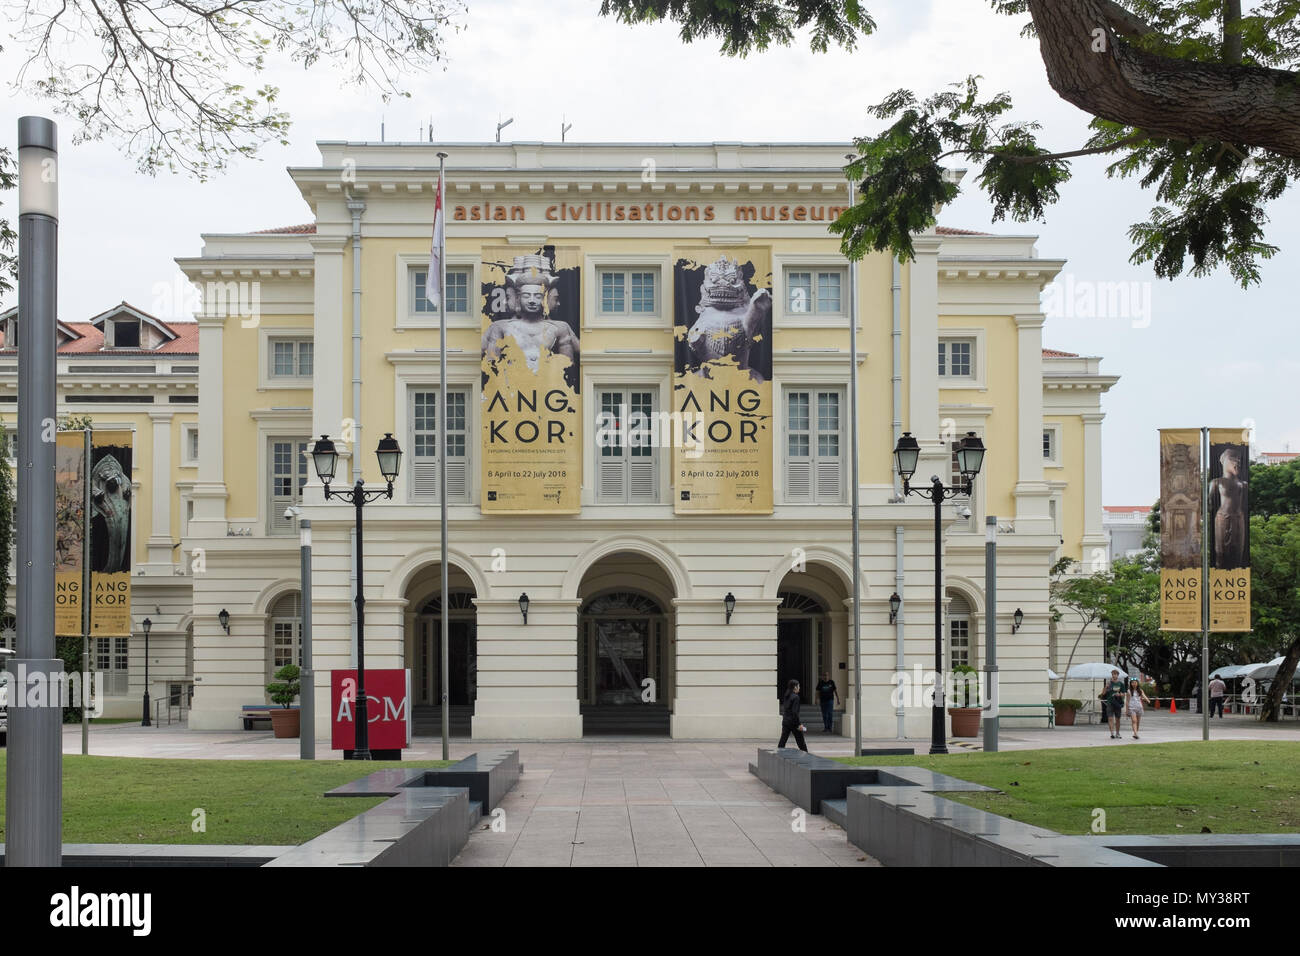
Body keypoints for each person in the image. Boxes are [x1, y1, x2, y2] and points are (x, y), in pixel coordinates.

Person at [481, 253, 580, 374]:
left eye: (538, 296)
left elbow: (568, 366)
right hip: (511, 384)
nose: (532, 301)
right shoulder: (500, 326)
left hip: (547, 383)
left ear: (544, 299)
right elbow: (490, 363)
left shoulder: (560, 327)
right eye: (526, 296)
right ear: (517, 299)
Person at [1209, 446, 1249, 569]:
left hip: (1239, 520)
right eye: (1233, 459)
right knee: (1221, 553)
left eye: (1238, 460)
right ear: (1225, 462)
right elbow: (1211, 504)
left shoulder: (1243, 485)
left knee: (1238, 553)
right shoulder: (1216, 483)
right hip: (1222, 519)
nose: (1237, 462)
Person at [778, 679, 808, 752]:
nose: (799, 687)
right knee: (801, 743)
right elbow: (795, 713)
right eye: (798, 686)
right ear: (795, 687)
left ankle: (778, 754)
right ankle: (807, 757)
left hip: (786, 721)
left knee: (782, 741)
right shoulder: (796, 697)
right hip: (793, 723)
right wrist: (799, 724)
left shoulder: (787, 696)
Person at [1105, 669, 1128, 739]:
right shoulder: (1109, 683)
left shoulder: (1121, 684)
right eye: (1113, 674)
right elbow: (1103, 693)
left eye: (1115, 674)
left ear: (1118, 675)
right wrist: (1106, 687)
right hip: (1110, 702)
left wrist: (1119, 694)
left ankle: (1117, 733)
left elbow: (1123, 694)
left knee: (1118, 719)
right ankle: (1112, 733)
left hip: (1117, 703)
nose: (1114, 675)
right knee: (1110, 718)